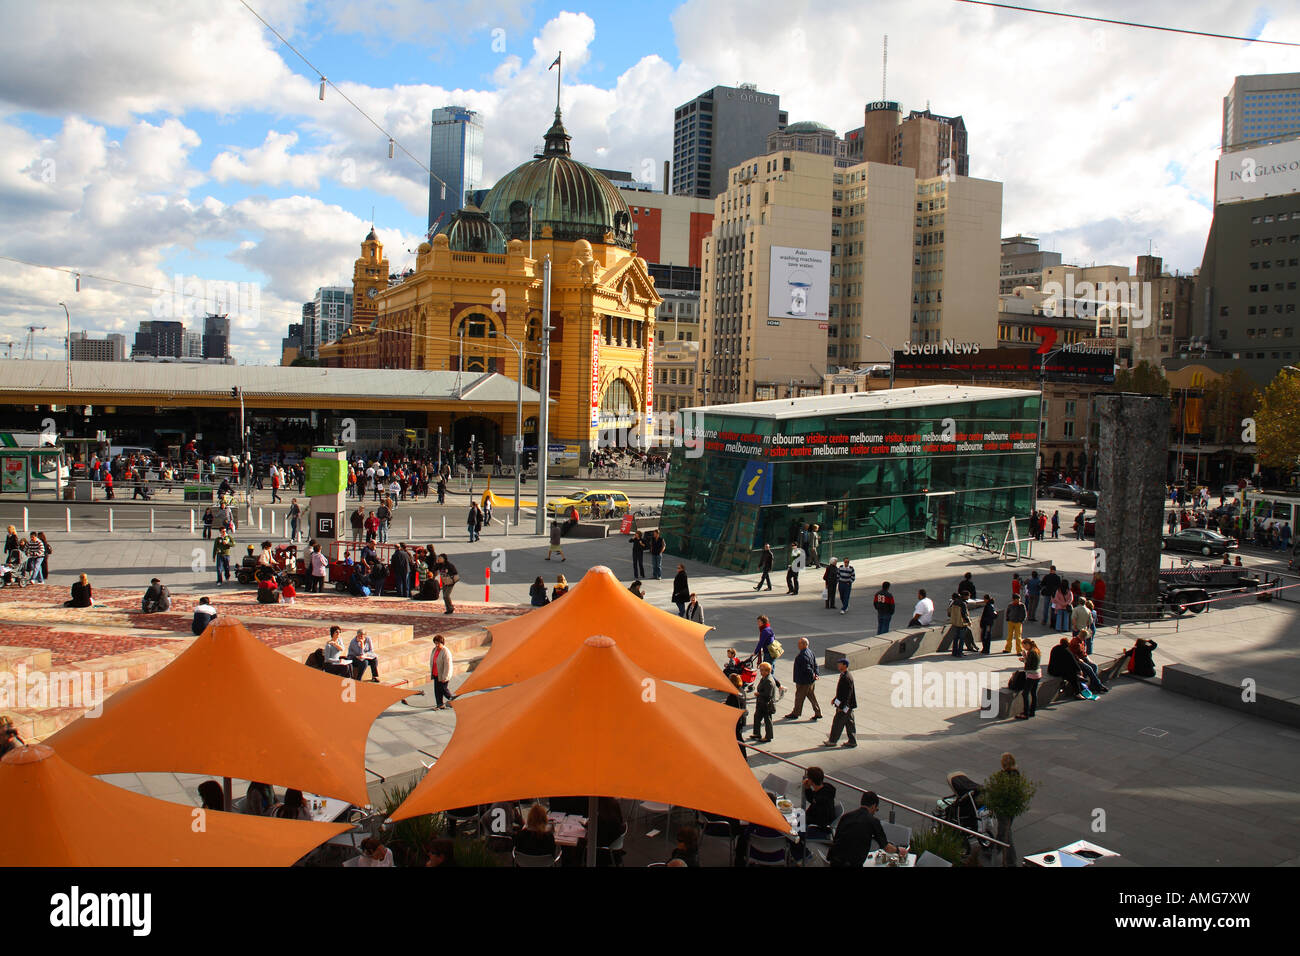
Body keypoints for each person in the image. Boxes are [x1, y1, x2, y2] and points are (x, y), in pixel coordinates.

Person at [828, 791, 899, 867]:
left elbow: (836, 838)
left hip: (834, 860)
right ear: (873, 806)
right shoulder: (873, 821)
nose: (875, 812)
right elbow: (887, 848)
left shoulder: (846, 816)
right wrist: (898, 850)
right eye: (876, 809)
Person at [822, 658, 857, 748]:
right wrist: (835, 699)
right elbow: (842, 692)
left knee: (837, 722)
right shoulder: (844, 675)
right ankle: (852, 741)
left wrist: (841, 706)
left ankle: (832, 741)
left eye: (840, 664)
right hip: (848, 705)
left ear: (844, 665)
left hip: (845, 706)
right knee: (849, 723)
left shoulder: (846, 677)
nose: (838, 665)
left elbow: (847, 694)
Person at [785, 637, 822, 720]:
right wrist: (816, 674)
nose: (798, 645)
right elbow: (815, 664)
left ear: (804, 644)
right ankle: (818, 712)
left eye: (800, 643)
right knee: (811, 696)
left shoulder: (802, 656)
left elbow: (807, 668)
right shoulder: (810, 652)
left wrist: (813, 674)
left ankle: (796, 713)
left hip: (803, 681)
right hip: (810, 681)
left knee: (799, 697)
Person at [802, 766, 838, 839]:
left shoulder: (822, 800)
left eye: (808, 778)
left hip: (818, 829)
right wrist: (808, 788)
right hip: (814, 821)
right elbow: (812, 799)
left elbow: (820, 820)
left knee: (792, 830)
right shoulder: (823, 789)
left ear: (811, 781)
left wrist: (803, 818)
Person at [754, 615, 784, 695]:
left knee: (767, 672)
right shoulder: (768, 628)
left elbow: (761, 642)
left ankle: (779, 687)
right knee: (770, 671)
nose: (758, 623)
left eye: (759, 622)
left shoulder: (764, 631)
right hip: (771, 653)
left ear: (763, 622)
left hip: (769, 654)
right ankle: (774, 688)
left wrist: (756, 651)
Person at [1014, 638, 1042, 719]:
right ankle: (1032, 711)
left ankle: (1025, 713)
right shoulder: (1036, 650)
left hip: (1031, 675)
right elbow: (1032, 662)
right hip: (1037, 674)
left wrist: (1024, 657)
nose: (1024, 648)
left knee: (1025, 693)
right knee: (1033, 693)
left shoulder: (1032, 652)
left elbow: (1029, 665)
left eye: (1024, 646)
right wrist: (1025, 659)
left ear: (1027, 644)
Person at [749, 661, 776, 743]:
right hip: (761, 703)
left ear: (767, 671)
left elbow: (768, 694)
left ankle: (768, 736)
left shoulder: (768, 681)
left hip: (766, 704)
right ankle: (757, 733)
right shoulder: (765, 678)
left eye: (762, 670)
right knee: (757, 717)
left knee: (767, 720)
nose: (761, 672)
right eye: (760, 670)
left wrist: (759, 694)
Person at [430, 634, 456, 709]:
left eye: (438, 643)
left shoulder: (445, 652)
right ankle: (440, 704)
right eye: (435, 643)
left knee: (443, 689)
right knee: (437, 691)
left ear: (442, 643)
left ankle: (453, 700)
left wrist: (446, 677)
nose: (437, 645)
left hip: (443, 675)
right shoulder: (434, 650)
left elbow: (448, 666)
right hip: (436, 673)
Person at [947, 594, 973, 658]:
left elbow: (949, 611)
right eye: (968, 596)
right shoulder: (963, 604)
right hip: (962, 623)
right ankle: (959, 653)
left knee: (956, 638)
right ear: (965, 596)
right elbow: (964, 614)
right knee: (962, 639)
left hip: (955, 623)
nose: (968, 597)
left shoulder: (954, 602)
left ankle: (954, 652)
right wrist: (968, 622)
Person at [725, 672, 748, 744]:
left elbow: (731, 706)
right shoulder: (741, 690)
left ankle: (742, 753)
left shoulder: (734, 694)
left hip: (736, 720)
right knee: (738, 736)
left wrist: (726, 704)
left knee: (738, 737)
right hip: (741, 718)